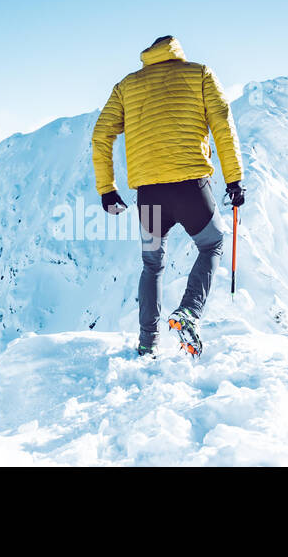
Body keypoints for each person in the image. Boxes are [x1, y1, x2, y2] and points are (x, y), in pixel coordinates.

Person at [91, 35, 247, 357]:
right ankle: (189, 311)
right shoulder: (199, 73)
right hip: (191, 188)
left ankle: (148, 342)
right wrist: (234, 180)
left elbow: (101, 134)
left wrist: (107, 189)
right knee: (212, 243)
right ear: (178, 52)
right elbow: (222, 124)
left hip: (150, 195)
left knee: (152, 265)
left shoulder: (126, 86)